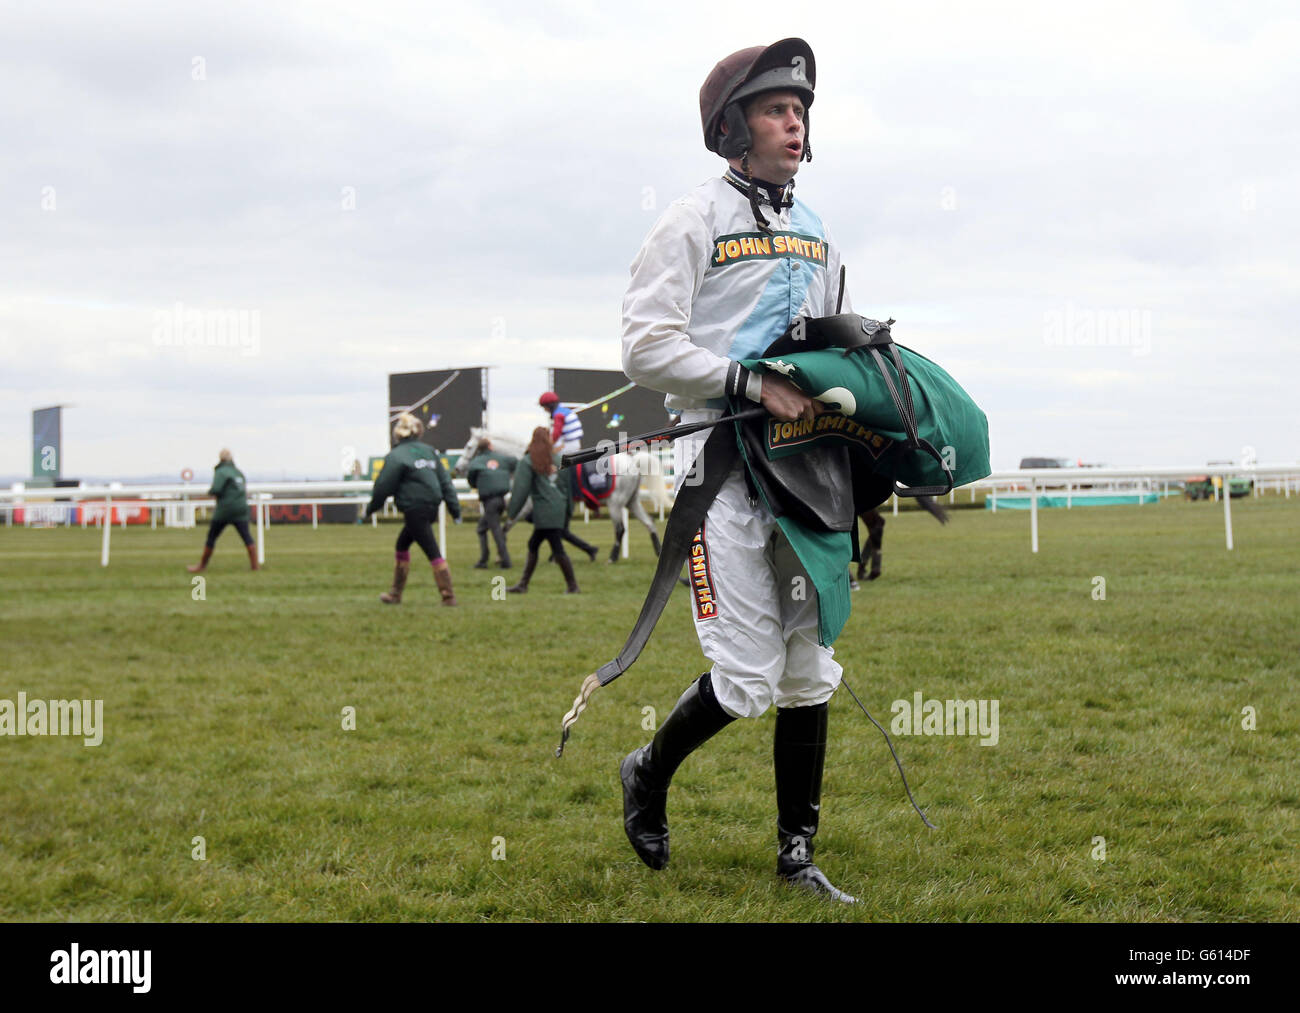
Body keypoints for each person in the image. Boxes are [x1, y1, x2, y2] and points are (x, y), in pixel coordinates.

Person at [618, 38, 857, 902]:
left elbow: (829, 342)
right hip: (719, 469)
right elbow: (645, 345)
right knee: (749, 678)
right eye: (775, 110)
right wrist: (744, 381)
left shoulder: (818, 230)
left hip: (806, 469)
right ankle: (645, 769)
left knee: (810, 667)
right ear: (733, 128)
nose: (793, 123)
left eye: (800, 112)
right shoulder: (690, 220)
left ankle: (797, 856)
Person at [363, 413, 461, 606]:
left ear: (398, 434)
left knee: (432, 551)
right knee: (402, 545)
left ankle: (448, 596)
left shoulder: (396, 456)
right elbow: (446, 483)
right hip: (431, 507)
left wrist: (370, 509)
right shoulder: (430, 452)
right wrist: (455, 510)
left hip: (415, 509)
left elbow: (383, 486)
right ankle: (395, 594)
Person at [505, 428, 579, 594]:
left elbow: (520, 490)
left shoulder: (528, 461)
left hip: (544, 511)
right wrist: (569, 510)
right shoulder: (558, 459)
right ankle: (523, 584)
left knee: (556, 548)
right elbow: (567, 488)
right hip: (558, 509)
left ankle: (573, 586)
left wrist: (512, 513)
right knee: (534, 543)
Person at [538, 392, 600, 562]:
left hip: (569, 449)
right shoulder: (564, 411)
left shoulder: (558, 415)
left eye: (544, 407)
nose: (544, 410)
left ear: (549, 405)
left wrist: (545, 446)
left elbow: (556, 435)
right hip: (572, 444)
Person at [187, 448, 258, 572]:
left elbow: (216, 489)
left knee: (212, 537)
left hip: (225, 510)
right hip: (241, 509)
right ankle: (255, 566)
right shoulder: (238, 472)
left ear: (220, 458)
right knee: (247, 537)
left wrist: (209, 492)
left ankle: (201, 566)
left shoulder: (221, 471)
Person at [466, 437, 516, 569]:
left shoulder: (476, 461)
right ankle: (484, 558)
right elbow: (515, 462)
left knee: (495, 530)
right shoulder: (503, 458)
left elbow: (471, 480)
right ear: (490, 446)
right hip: (501, 500)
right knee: (482, 528)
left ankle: (504, 560)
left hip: (490, 502)